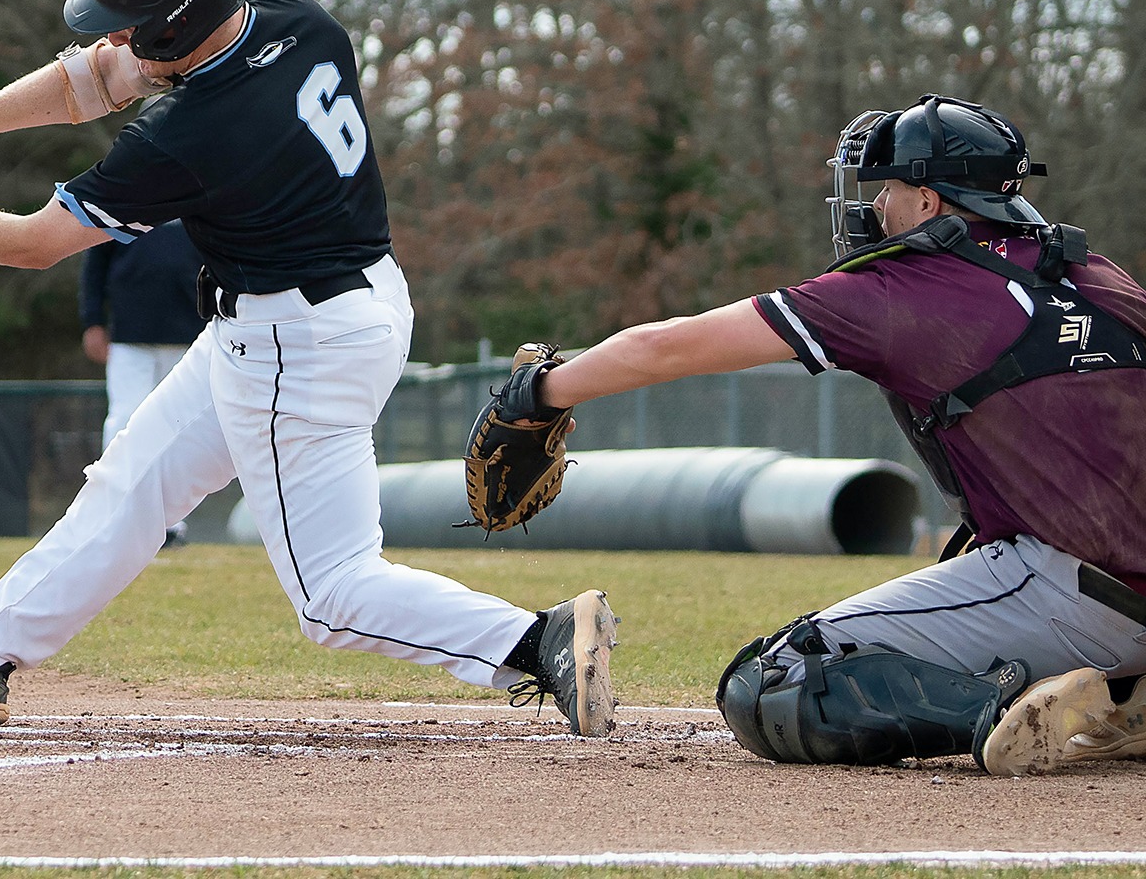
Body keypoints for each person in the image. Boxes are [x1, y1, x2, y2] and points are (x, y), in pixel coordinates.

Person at [0, 0, 617, 735]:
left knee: (333, 594)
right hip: (327, 308)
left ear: (176, 24)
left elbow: (34, 244)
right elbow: (98, 76)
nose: (115, 40)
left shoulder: (192, 132)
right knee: (128, 491)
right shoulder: (281, 6)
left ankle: (537, 639)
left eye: (131, 27)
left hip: (296, 345)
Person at [481, 94, 1146, 775]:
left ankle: (1007, 708)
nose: (877, 206)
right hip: (1113, 587)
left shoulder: (906, 288)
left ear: (928, 204)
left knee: (773, 681)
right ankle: (1126, 696)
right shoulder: (1093, 273)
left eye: (890, 189)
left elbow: (666, 347)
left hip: (1083, 595)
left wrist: (541, 393)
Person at [79, 219, 206, 546]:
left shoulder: (202, 193)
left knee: (180, 430)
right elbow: (95, 261)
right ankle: (114, 512)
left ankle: (169, 523)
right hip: (130, 337)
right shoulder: (127, 195)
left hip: (189, 336)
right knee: (125, 420)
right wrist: (92, 320)